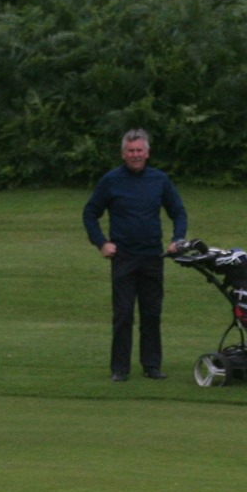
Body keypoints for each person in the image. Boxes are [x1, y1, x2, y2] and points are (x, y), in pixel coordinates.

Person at [82, 129, 188, 382]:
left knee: (152, 313)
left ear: (147, 152)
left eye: (140, 150)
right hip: (124, 257)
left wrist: (178, 240)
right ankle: (120, 368)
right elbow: (90, 213)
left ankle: (152, 365)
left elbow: (178, 212)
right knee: (123, 314)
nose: (135, 155)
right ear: (123, 154)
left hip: (152, 255)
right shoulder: (111, 180)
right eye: (131, 151)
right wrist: (101, 243)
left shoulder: (159, 180)